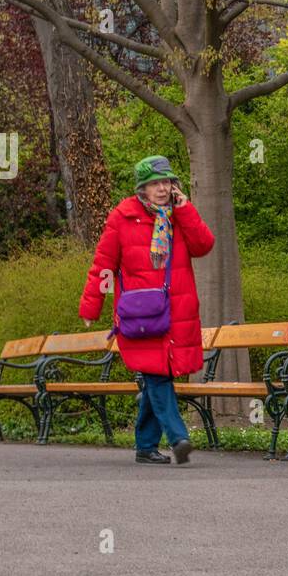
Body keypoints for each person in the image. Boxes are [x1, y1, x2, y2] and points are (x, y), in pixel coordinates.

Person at [79, 156, 215, 464]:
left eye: (167, 182)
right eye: (155, 183)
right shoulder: (122, 217)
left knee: (160, 373)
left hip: (176, 311)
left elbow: (204, 245)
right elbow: (104, 266)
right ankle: (179, 437)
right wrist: (92, 306)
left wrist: (185, 209)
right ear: (142, 188)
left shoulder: (179, 215)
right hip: (140, 313)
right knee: (157, 375)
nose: (162, 188)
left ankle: (145, 446)